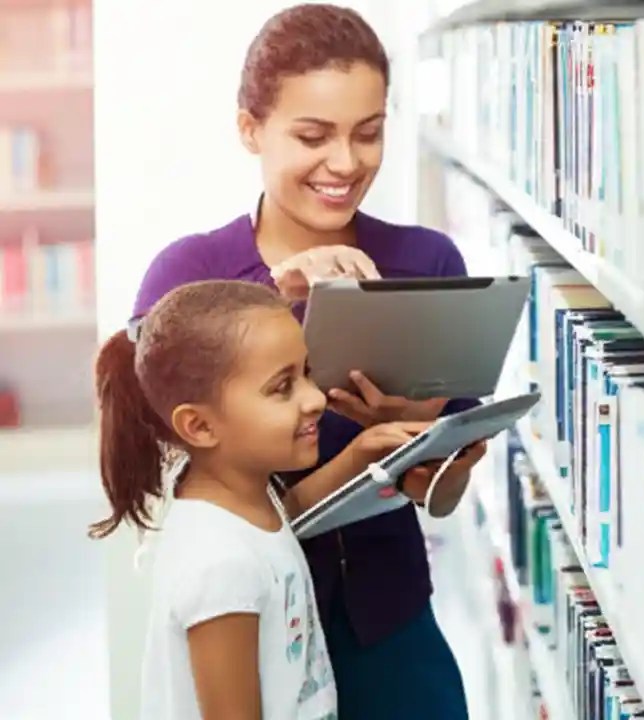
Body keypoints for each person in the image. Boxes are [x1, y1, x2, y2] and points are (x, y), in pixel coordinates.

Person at [130, 4, 479, 717]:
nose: (346, 164)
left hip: (393, 631)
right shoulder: (188, 277)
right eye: (313, 135)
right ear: (250, 128)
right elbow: (160, 479)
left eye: (370, 133)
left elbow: (440, 499)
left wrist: (418, 427)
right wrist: (277, 301)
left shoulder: (425, 264)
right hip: (248, 628)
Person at [91, 279, 433, 719]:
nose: (315, 399)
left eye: (307, 372)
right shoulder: (220, 566)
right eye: (281, 387)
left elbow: (281, 525)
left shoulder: (241, 499)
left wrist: (363, 454)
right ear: (199, 426)